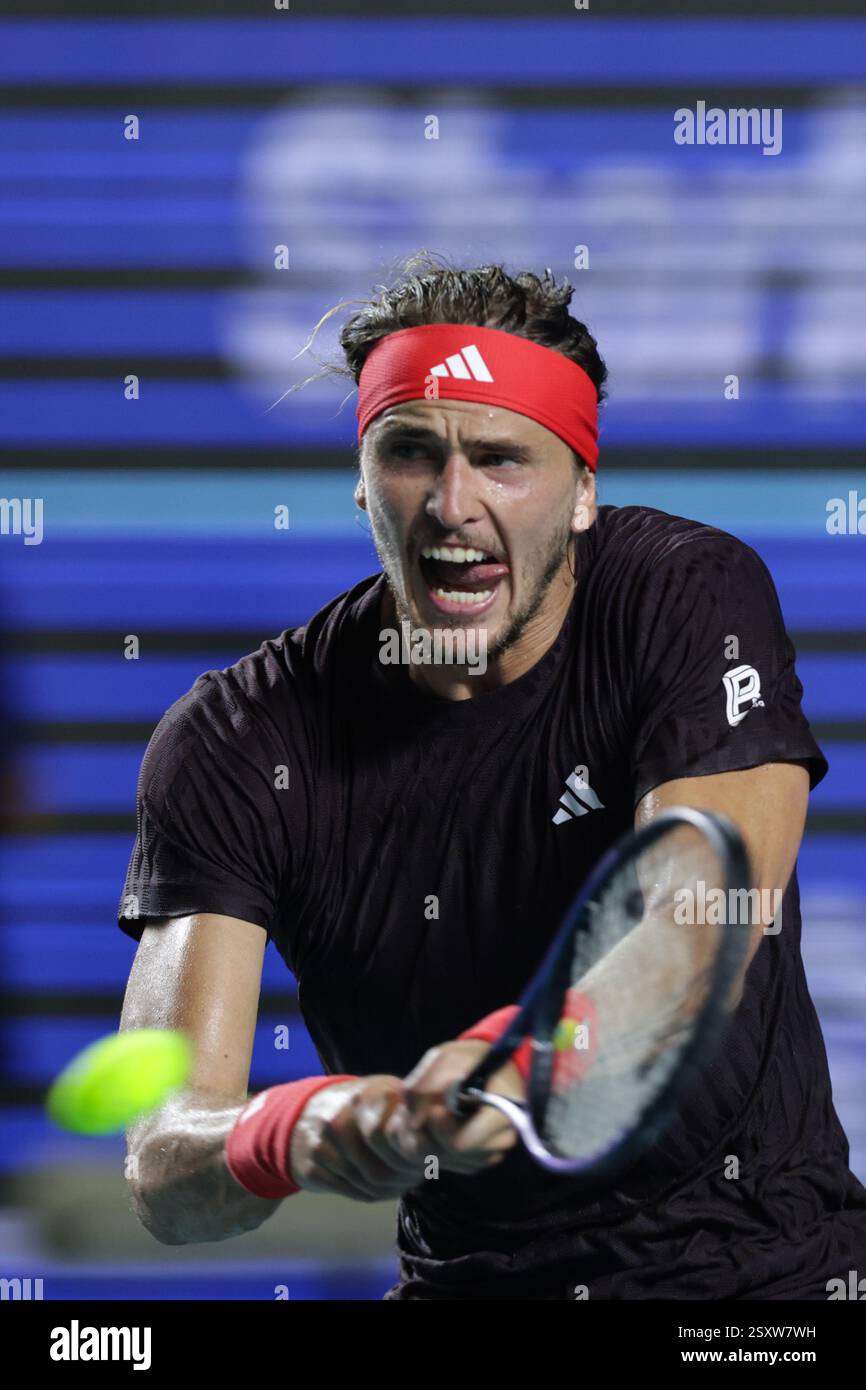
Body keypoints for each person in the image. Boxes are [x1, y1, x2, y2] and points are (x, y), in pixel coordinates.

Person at [118, 259, 866, 1299]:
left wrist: (509, 1068)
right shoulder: (234, 742)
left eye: (501, 460)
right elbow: (163, 1166)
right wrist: (299, 1128)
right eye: (411, 453)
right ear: (362, 477)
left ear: (581, 494)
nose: (451, 504)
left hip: (761, 1283)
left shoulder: (684, 594)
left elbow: (700, 933)